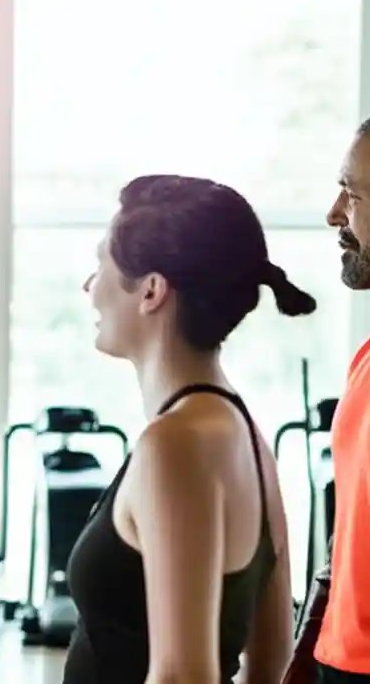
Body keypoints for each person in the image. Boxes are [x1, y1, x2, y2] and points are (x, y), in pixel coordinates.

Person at [61, 174, 309, 684]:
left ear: (151, 290)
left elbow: (181, 677)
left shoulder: (173, 445)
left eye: (100, 265)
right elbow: (271, 666)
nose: (89, 287)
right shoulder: (245, 434)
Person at [283, 99, 370, 684]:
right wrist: (307, 649)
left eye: (353, 195)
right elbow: (352, 534)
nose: (335, 215)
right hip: (340, 662)